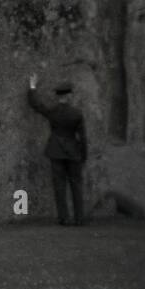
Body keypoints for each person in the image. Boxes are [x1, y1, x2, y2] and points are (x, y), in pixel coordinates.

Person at [27, 75, 87, 226]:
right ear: (69, 95)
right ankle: (79, 218)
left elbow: (37, 105)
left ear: (58, 96)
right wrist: (83, 155)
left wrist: (32, 87)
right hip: (73, 152)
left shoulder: (53, 112)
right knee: (76, 185)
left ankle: (63, 218)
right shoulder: (77, 114)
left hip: (56, 150)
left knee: (59, 186)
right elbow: (83, 137)